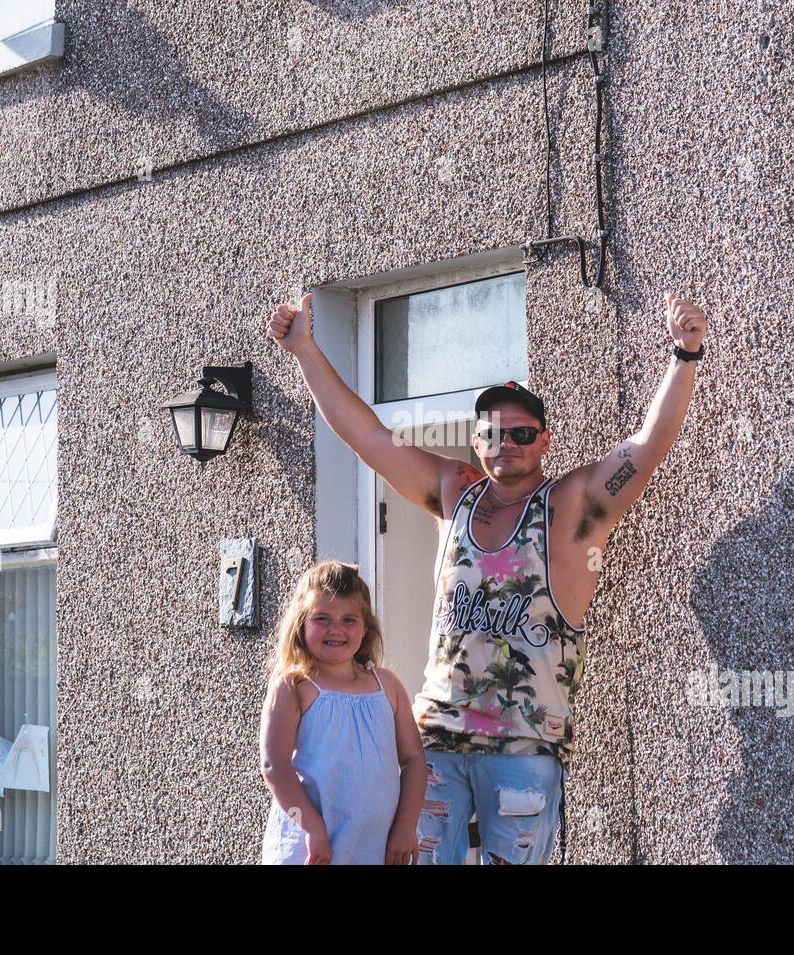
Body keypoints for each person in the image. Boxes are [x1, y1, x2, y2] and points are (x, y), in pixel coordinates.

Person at [265, 289, 707, 863]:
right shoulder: (456, 494)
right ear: (477, 442)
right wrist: (304, 350)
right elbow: (368, 438)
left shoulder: (571, 508)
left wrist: (685, 356)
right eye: (495, 434)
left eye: (523, 433)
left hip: (524, 748)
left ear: (544, 440)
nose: (509, 445)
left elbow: (646, 449)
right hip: (434, 748)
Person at [259, 561, 427, 864]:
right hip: (311, 849)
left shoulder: (387, 687)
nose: (335, 629)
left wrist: (406, 826)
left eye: (348, 619)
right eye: (322, 618)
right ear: (301, 623)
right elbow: (274, 765)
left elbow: (414, 758)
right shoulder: (294, 686)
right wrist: (309, 826)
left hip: (373, 850)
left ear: (365, 628)